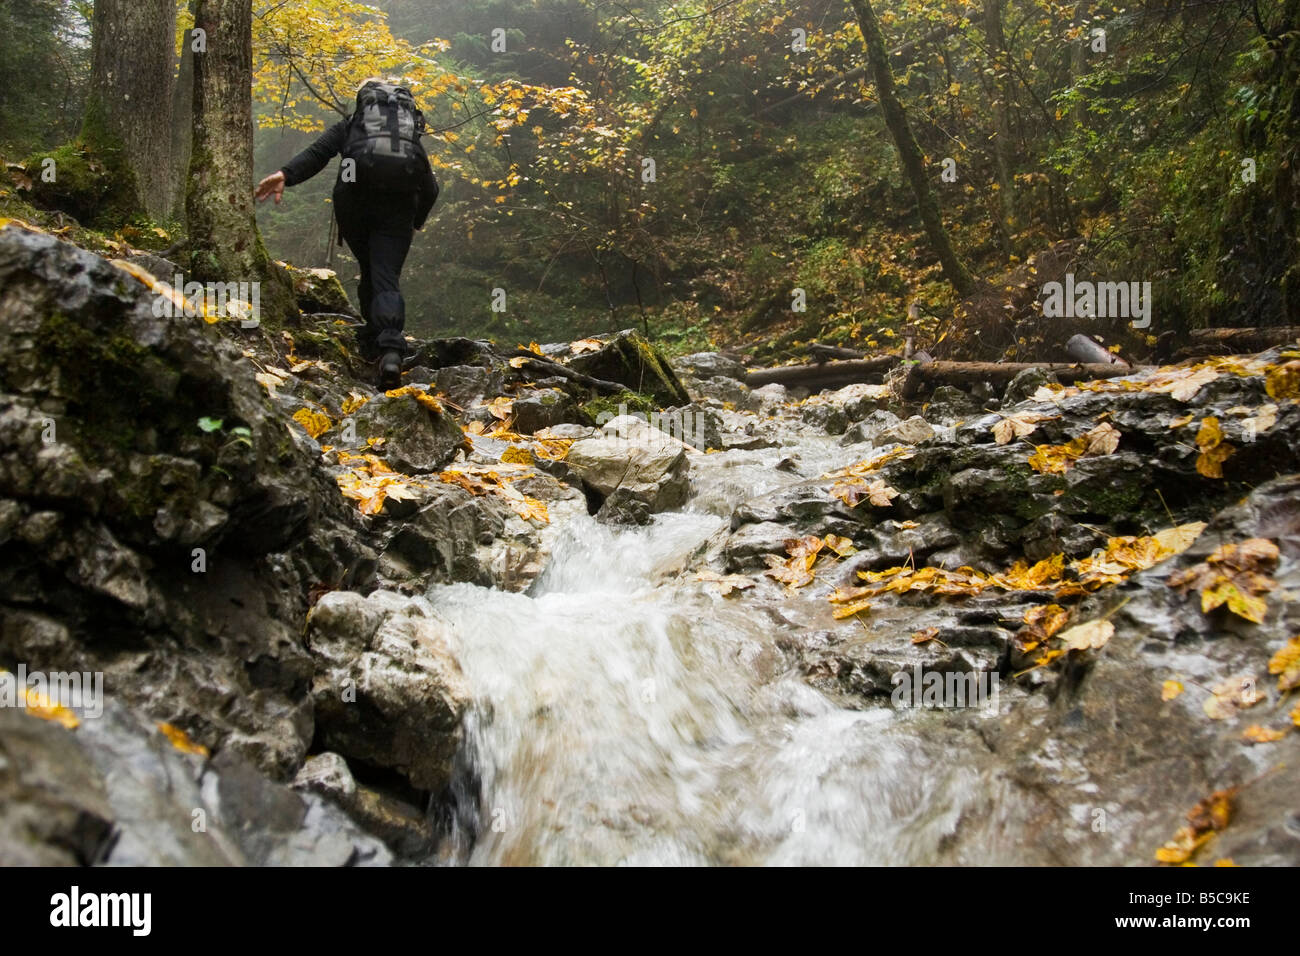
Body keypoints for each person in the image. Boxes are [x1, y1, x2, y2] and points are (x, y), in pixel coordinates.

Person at [255, 77, 439, 389]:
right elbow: (431, 187)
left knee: (372, 269)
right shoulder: (409, 136)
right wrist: (416, 221)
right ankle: (391, 348)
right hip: (397, 211)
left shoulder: (351, 126)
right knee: (384, 275)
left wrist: (285, 174)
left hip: (354, 208)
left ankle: (375, 336)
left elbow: (318, 153)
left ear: (362, 102)